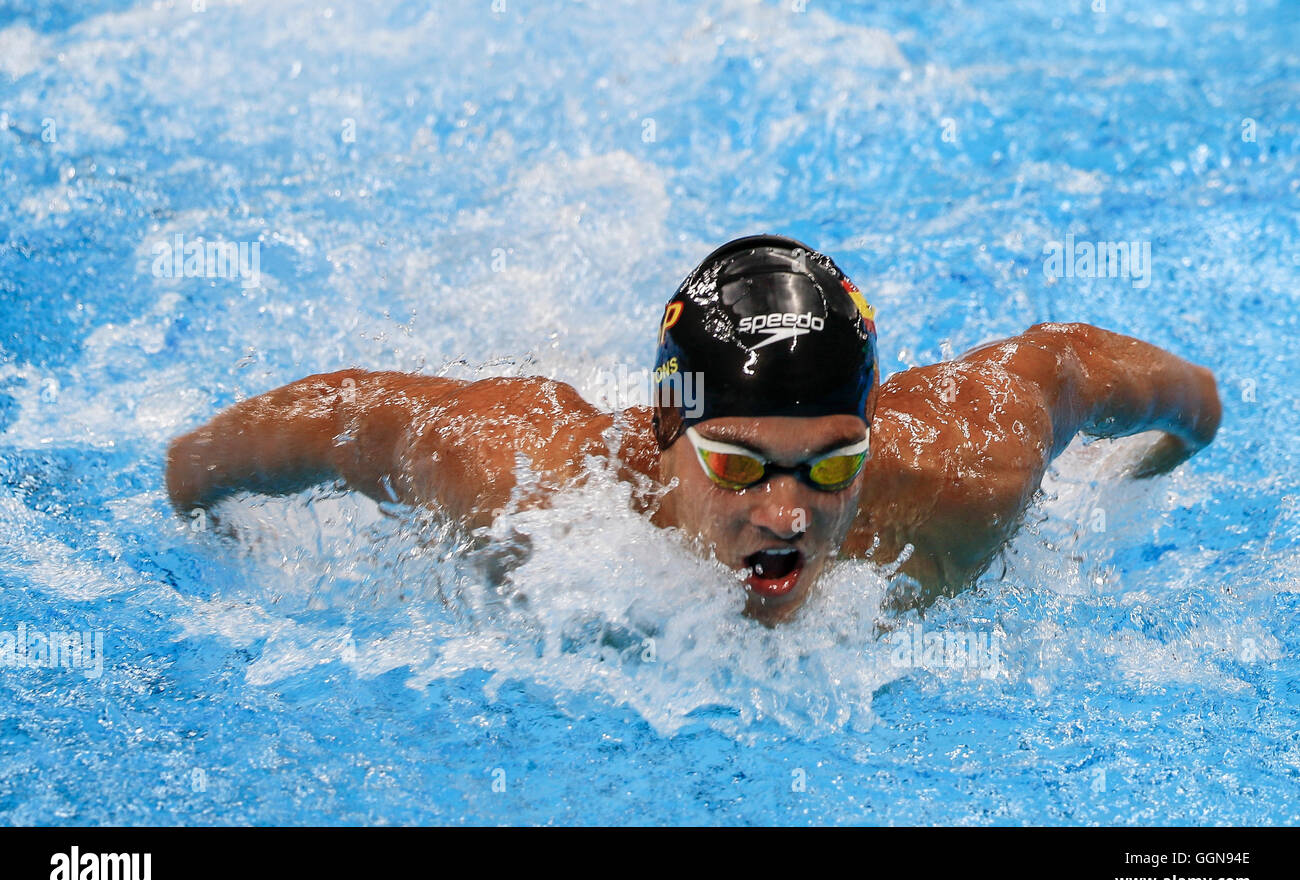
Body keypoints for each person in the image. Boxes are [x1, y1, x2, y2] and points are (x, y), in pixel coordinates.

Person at [165, 235, 1222, 624]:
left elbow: (1077, 364)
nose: (784, 509)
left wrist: (1182, 438)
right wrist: (188, 487)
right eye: (738, 461)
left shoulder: (962, 473)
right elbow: (351, 414)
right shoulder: (522, 480)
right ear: (667, 427)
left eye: (830, 462)